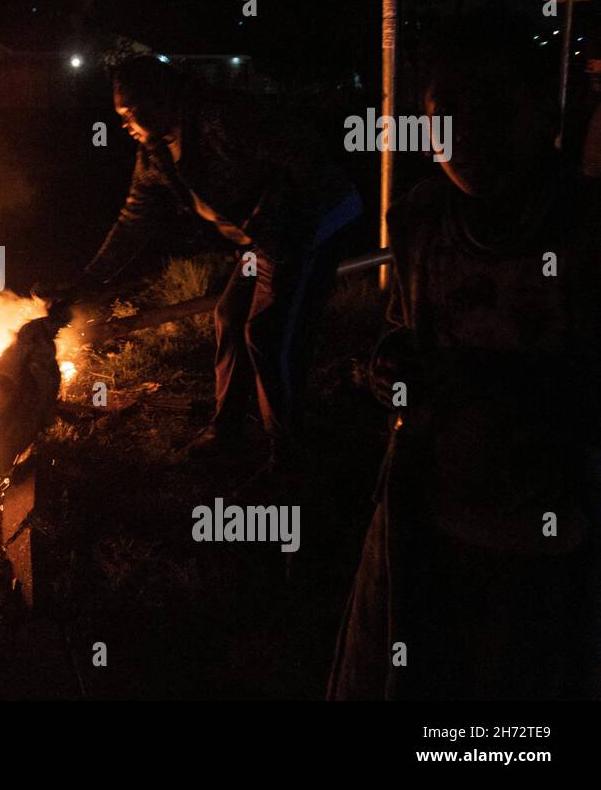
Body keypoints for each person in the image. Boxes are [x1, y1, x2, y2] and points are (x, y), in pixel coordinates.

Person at [328, 41, 601, 699]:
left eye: (497, 109)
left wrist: (488, 386)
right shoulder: (421, 217)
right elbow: (404, 331)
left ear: (547, 114)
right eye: (446, 113)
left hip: (547, 532)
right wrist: (388, 368)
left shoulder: (586, 228)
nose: (470, 134)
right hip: (423, 513)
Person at [54, 54, 362, 481]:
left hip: (316, 221)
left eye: (132, 112)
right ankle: (227, 430)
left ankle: (290, 455)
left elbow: (303, 154)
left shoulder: (223, 116)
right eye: (120, 116)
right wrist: (86, 282)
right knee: (230, 316)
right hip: (264, 239)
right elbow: (132, 221)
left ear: (163, 98)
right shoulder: (155, 155)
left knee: (268, 333)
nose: (126, 124)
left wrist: (289, 229)